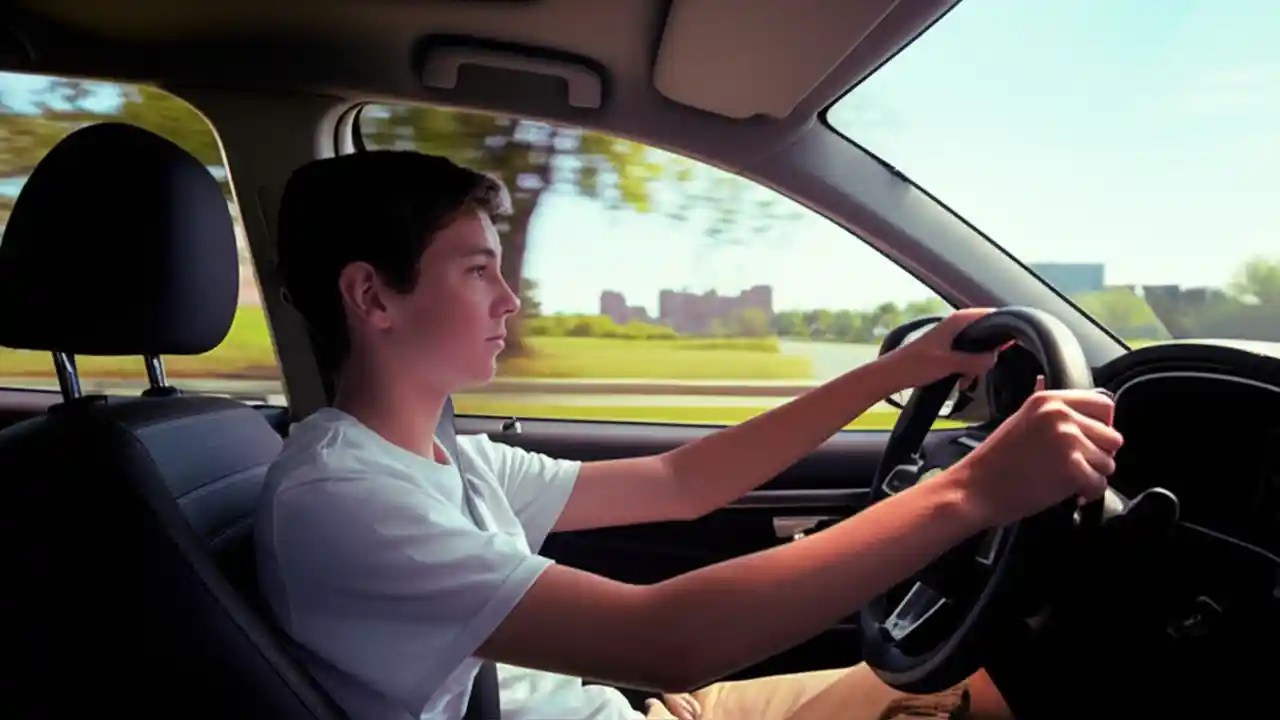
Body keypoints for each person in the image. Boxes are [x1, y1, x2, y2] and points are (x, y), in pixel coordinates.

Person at [257, 151, 1123, 720]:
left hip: (657, 711)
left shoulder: (448, 461)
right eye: (477, 270)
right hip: (660, 698)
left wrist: (899, 370)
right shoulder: (347, 502)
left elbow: (684, 482)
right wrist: (972, 491)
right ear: (373, 298)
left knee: (987, 684)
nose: (508, 300)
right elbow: (663, 642)